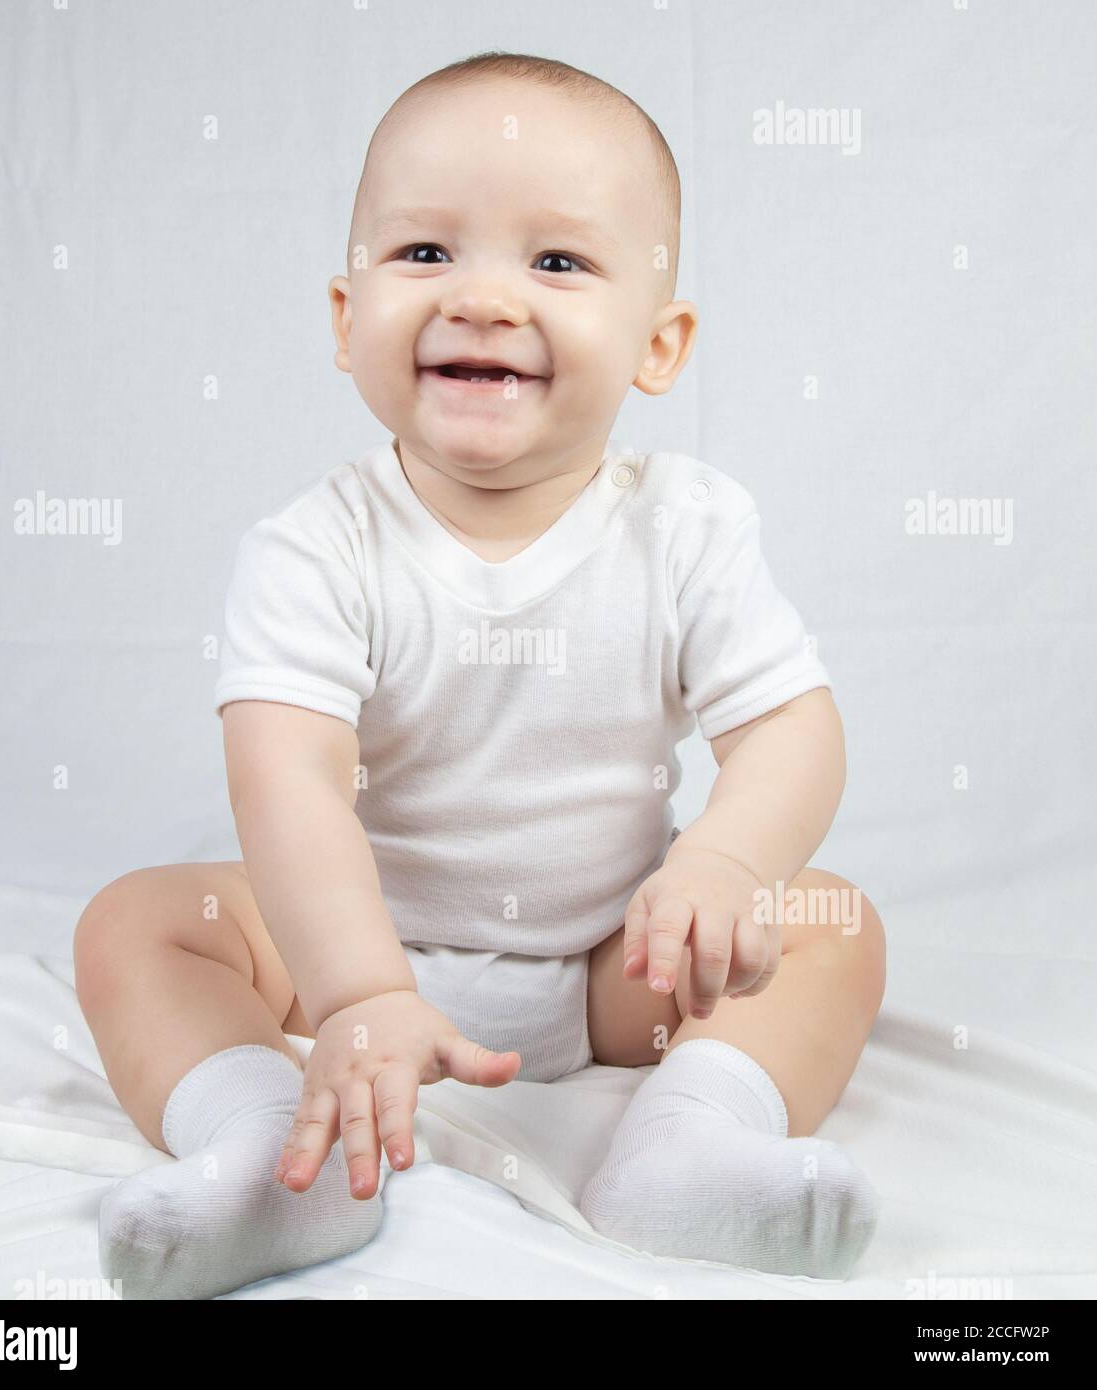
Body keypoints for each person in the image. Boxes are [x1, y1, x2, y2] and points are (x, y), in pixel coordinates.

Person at [74, 50, 886, 1300]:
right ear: (348, 321)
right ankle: (270, 1154)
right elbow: (285, 776)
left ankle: (687, 1148)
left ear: (658, 344)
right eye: (425, 254)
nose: (485, 299)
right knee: (137, 923)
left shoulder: (686, 526)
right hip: (350, 950)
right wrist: (354, 989)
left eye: (556, 263)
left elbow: (794, 727)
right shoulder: (316, 544)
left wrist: (723, 865)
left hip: (615, 963)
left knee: (832, 921)